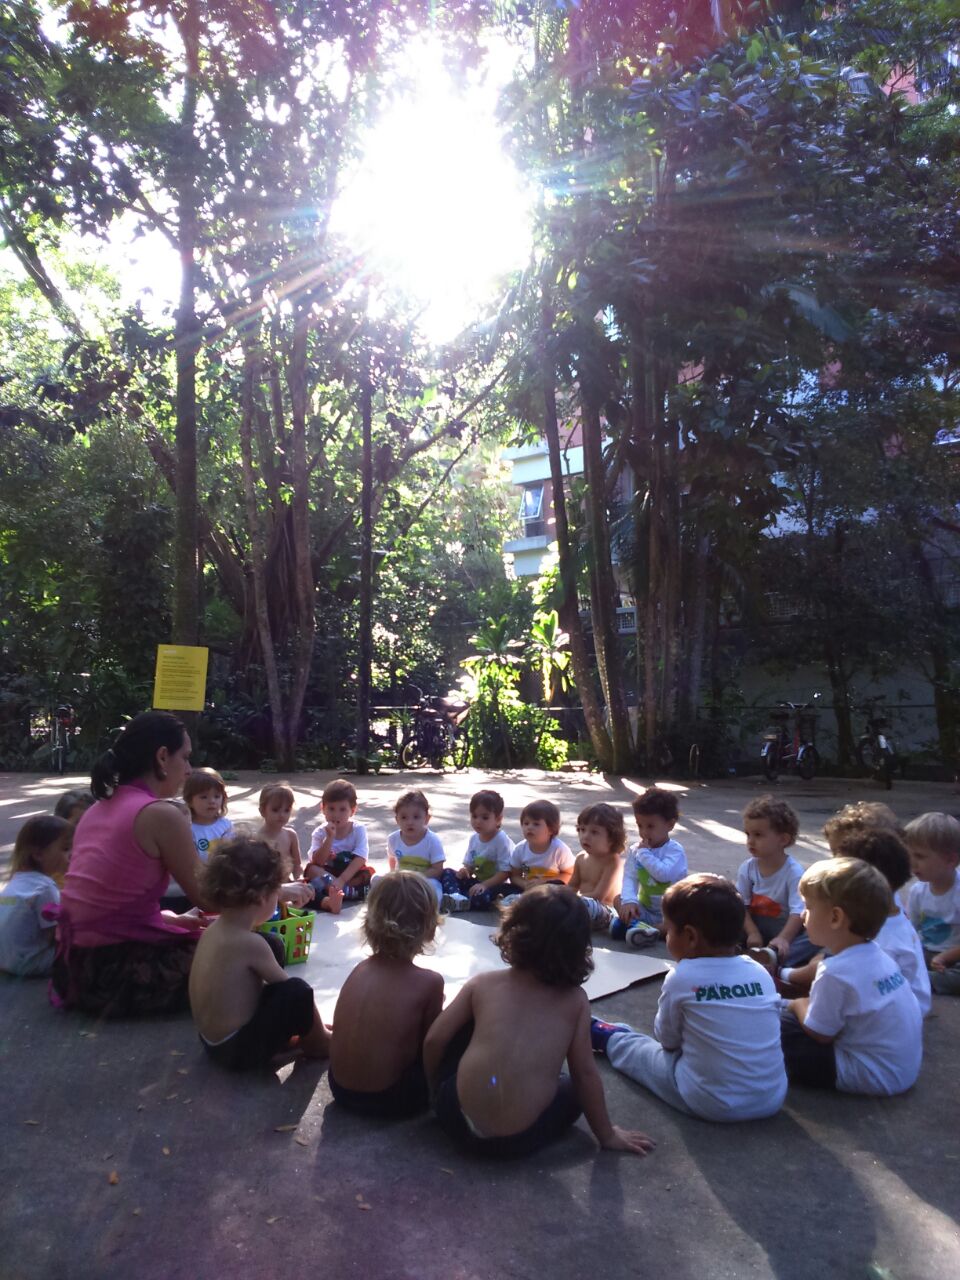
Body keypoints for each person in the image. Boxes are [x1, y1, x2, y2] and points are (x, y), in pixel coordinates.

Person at [424, 885, 656, 1159]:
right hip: (514, 1142)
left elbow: (435, 1040)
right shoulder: (575, 1001)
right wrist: (606, 1134)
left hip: (455, 1120)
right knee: (573, 1089)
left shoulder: (482, 984)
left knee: (464, 1027)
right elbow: (584, 1073)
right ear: (579, 947)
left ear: (512, 930)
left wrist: (435, 1093)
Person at [51, 711, 210, 1016]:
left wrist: (168, 919)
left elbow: (104, 904)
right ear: (162, 757)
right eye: (185, 757)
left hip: (70, 970)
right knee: (261, 949)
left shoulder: (98, 808)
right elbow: (208, 896)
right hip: (118, 975)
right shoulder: (160, 814)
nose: (189, 770)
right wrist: (273, 890)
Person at [592, 874, 787, 1121]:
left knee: (639, 1050)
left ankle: (607, 1036)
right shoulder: (759, 972)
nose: (666, 937)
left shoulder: (683, 977)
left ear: (690, 936)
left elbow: (667, 1040)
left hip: (709, 1102)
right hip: (771, 1097)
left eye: (668, 930)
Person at [780, 858, 922, 1095]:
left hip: (869, 1074)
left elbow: (820, 1034)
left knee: (781, 1026)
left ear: (835, 918)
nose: (803, 915)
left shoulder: (835, 972)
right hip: (901, 1070)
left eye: (809, 907)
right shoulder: (879, 955)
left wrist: (797, 1004)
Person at [189, 838, 330, 1070]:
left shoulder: (213, 930)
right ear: (263, 897)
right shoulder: (249, 944)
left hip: (212, 1042)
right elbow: (293, 993)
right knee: (299, 991)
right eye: (277, 892)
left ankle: (285, 1035)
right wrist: (317, 1027)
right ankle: (319, 1042)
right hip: (236, 1052)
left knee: (273, 943)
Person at [778, 828, 931, 1016]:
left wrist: (795, 1003)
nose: (803, 914)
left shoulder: (883, 942)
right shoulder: (886, 919)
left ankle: (781, 973)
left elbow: (819, 1028)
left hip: (891, 1012)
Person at [329, 871, 443, 1116]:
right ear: (431, 929)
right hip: (388, 1098)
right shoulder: (430, 982)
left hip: (338, 1088)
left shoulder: (360, 969)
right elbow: (432, 1043)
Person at [737, 795, 816, 968]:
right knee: (724, 915)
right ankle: (738, 952)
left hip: (783, 930)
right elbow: (741, 905)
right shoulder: (747, 868)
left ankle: (772, 958)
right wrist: (752, 932)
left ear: (783, 839)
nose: (750, 841)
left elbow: (798, 912)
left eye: (758, 835)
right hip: (754, 927)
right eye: (748, 834)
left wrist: (783, 939)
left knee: (814, 937)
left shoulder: (793, 872)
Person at [611, 787, 687, 947]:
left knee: (679, 924)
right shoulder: (636, 850)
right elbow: (630, 877)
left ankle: (644, 930)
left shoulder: (675, 851)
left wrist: (644, 854)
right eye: (640, 825)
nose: (644, 832)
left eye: (650, 826)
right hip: (645, 909)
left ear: (670, 825)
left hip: (670, 913)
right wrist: (629, 902)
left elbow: (663, 874)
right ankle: (637, 927)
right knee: (619, 899)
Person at [0, 816, 72, 976]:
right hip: (27, 962)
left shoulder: (16, 881)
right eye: (65, 849)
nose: (71, 855)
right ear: (38, 854)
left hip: (4, 960)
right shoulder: (44, 888)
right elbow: (57, 934)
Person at [162, 767, 234, 912]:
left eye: (217, 796)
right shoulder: (184, 826)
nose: (212, 801)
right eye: (204, 797)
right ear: (190, 800)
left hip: (211, 889)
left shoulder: (225, 826)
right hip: (180, 891)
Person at [904, 812, 960, 997]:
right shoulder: (917, 891)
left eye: (920, 856)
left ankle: (920, 980)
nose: (912, 863)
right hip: (926, 952)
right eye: (910, 855)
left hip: (954, 956)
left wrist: (945, 957)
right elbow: (911, 930)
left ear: (951, 860)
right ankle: (921, 978)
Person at [440, 789, 513, 912]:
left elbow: (505, 873)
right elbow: (470, 865)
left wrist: (484, 885)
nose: (478, 821)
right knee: (447, 872)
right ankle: (456, 897)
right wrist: (465, 871)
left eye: (485, 817)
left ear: (498, 819)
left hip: (494, 885)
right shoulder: (474, 839)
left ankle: (464, 899)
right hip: (477, 882)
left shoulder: (501, 840)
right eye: (474, 816)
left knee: (482, 898)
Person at [304, 778, 371, 906]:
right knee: (311, 870)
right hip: (328, 874)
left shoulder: (358, 829)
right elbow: (317, 861)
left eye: (342, 809)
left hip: (350, 875)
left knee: (367, 875)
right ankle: (345, 892)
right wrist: (329, 838)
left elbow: (360, 858)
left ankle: (339, 890)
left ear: (352, 811)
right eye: (331, 809)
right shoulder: (320, 832)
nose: (336, 814)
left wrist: (342, 880)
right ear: (323, 808)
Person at [568, 802, 626, 931]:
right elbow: (572, 886)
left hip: (604, 910)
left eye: (594, 832)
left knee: (580, 906)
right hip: (582, 904)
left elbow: (599, 895)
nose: (585, 836)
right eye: (582, 830)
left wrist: (573, 899)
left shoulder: (612, 861)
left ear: (612, 838)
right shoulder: (580, 857)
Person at [386, 790, 446, 905]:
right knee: (376, 879)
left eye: (416, 817)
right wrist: (393, 875)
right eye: (404, 817)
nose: (410, 822)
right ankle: (386, 907)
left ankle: (430, 911)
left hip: (424, 881)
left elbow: (438, 869)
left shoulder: (433, 840)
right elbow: (392, 858)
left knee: (435, 888)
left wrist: (416, 878)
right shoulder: (393, 839)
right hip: (401, 881)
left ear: (427, 819)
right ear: (397, 820)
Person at [504, 800, 574, 898]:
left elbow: (569, 874)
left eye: (536, 824)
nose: (529, 827)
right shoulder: (520, 849)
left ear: (551, 829)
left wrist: (545, 883)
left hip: (553, 893)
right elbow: (514, 875)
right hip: (528, 889)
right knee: (503, 890)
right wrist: (525, 885)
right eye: (526, 823)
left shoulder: (559, 850)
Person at [256, 780, 308, 893]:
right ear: (262, 811)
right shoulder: (257, 839)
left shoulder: (290, 835)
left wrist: (299, 878)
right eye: (275, 810)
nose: (281, 815)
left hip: (287, 884)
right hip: (266, 890)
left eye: (286, 810)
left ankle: (329, 900)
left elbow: (297, 865)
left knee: (309, 891)